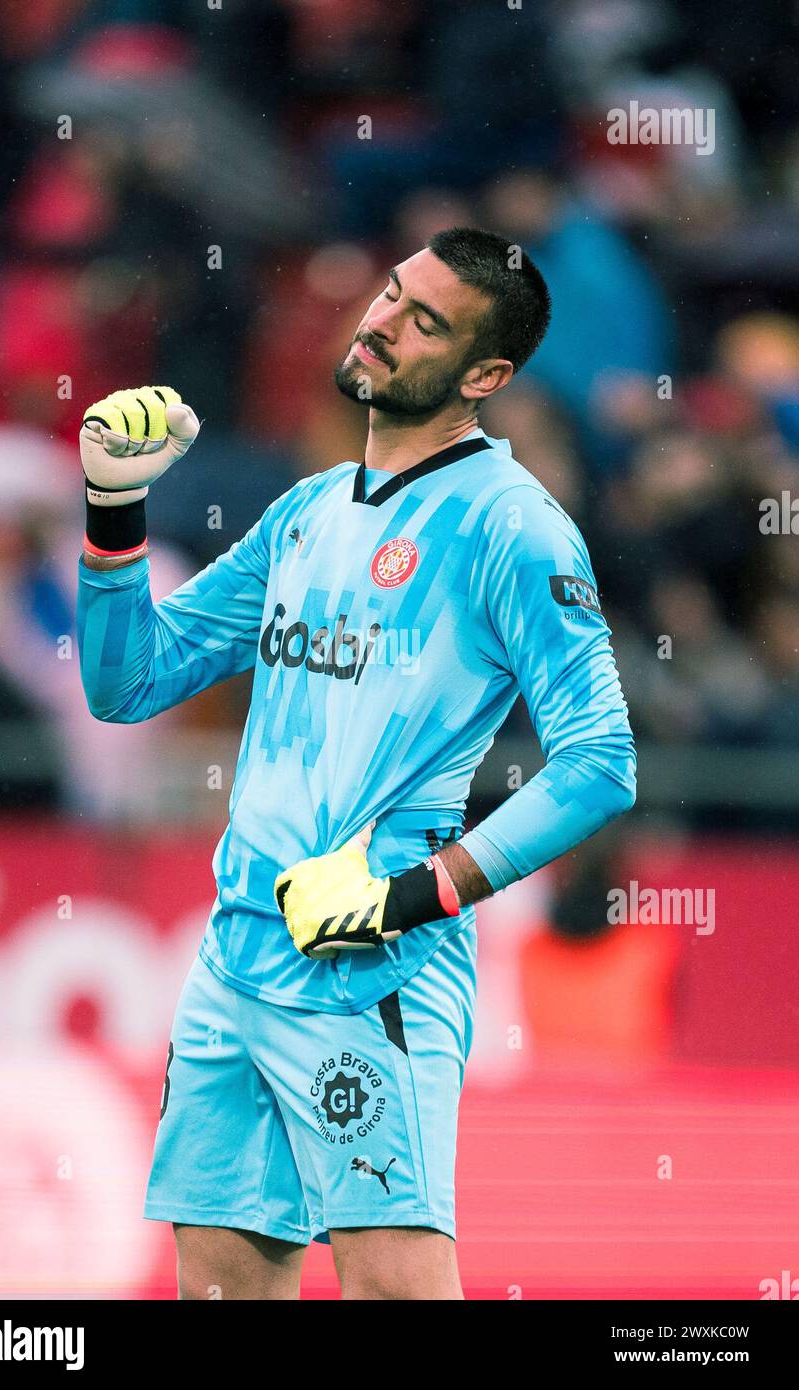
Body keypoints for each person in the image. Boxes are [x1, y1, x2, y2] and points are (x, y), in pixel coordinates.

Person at [76, 227, 636, 1300]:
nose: (379, 322)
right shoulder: (307, 511)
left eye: (422, 320)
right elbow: (127, 681)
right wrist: (112, 506)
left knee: (394, 1291)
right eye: (390, 294)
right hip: (235, 958)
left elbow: (598, 760)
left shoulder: (513, 529)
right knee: (224, 1289)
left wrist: (410, 896)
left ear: (485, 376)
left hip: (372, 971)